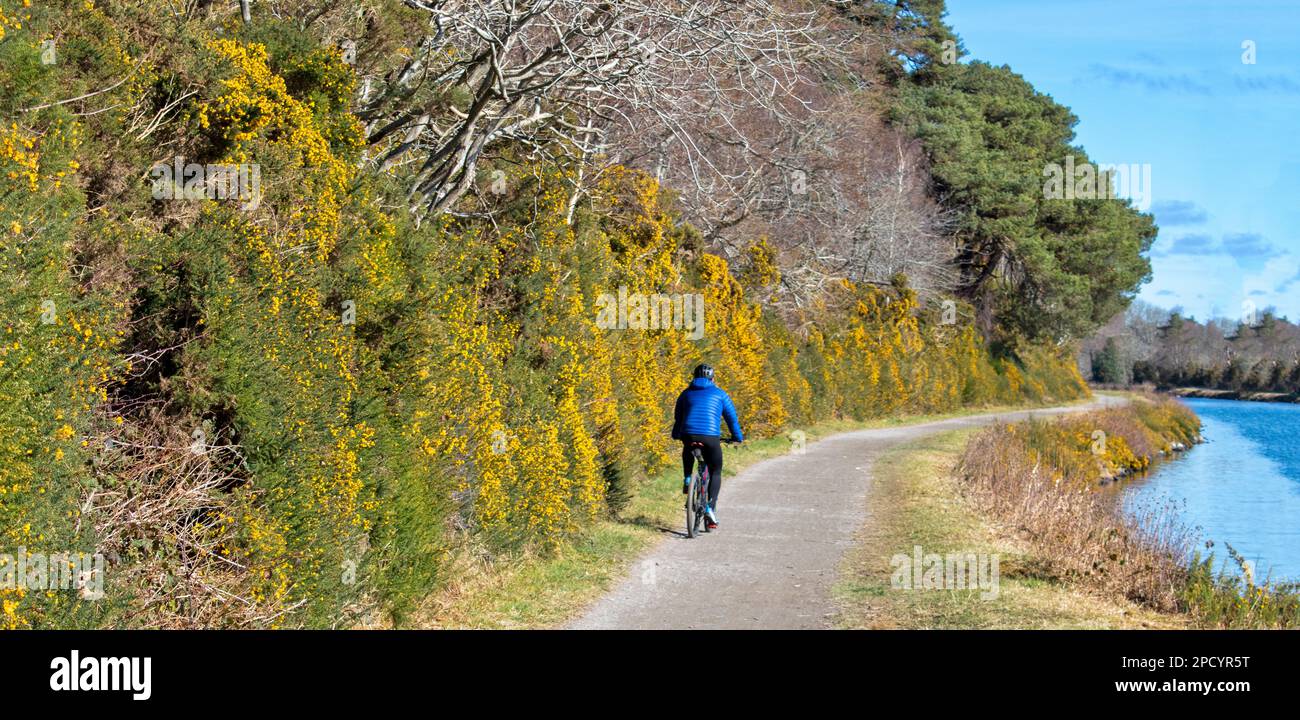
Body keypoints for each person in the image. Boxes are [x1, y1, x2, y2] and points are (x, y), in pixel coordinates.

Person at [671, 364, 743, 530]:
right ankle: (710, 507)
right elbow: (732, 419)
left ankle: (688, 478)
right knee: (715, 470)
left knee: (687, 447)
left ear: (694, 377)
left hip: (688, 434)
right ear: (713, 378)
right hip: (710, 437)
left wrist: (676, 434)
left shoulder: (686, 393)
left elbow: (678, 417)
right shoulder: (720, 394)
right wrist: (737, 437)